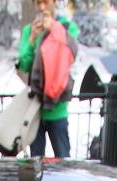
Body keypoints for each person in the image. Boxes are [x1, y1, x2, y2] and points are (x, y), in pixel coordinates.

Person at [17, 0, 80, 159]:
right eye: (38, 3)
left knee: (63, 160)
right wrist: (32, 40)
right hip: (35, 108)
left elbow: (70, 57)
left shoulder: (67, 28)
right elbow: (24, 65)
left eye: (45, 2)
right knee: (35, 162)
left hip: (57, 106)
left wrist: (54, 29)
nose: (42, 7)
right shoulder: (29, 30)